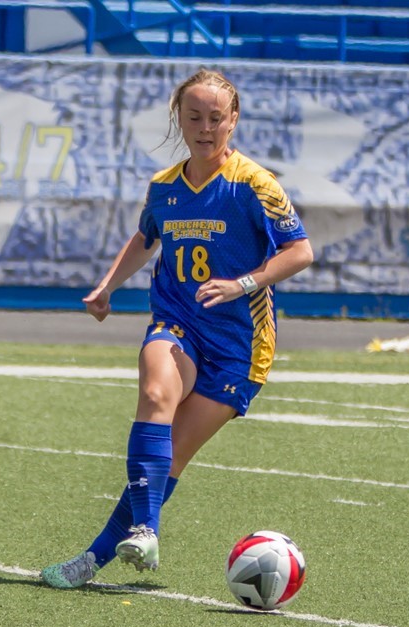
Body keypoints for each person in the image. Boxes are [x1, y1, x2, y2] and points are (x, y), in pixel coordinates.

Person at [41, 68, 314, 589]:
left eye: (216, 118)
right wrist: (106, 287)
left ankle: (92, 560)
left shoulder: (254, 184)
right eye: (194, 117)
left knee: (169, 461)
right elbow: (146, 239)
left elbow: (300, 251)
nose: (205, 127)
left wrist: (243, 284)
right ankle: (146, 528)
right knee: (154, 391)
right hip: (179, 321)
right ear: (179, 119)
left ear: (233, 120)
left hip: (240, 345)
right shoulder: (164, 188)